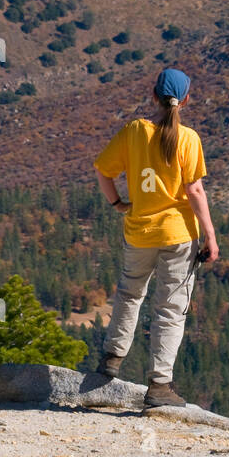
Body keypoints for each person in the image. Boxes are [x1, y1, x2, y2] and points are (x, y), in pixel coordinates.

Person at [92, 67, 218, 408]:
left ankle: (110, 363)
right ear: (187, 100)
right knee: (170, 309)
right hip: (179, 234)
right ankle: (159, 386)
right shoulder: (188, 139)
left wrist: (118, 203)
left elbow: (103, 169)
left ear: (153, 96)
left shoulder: (134, 131)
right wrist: (210, 237)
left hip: (139, 231)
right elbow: (194, 190)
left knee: (129, 294)